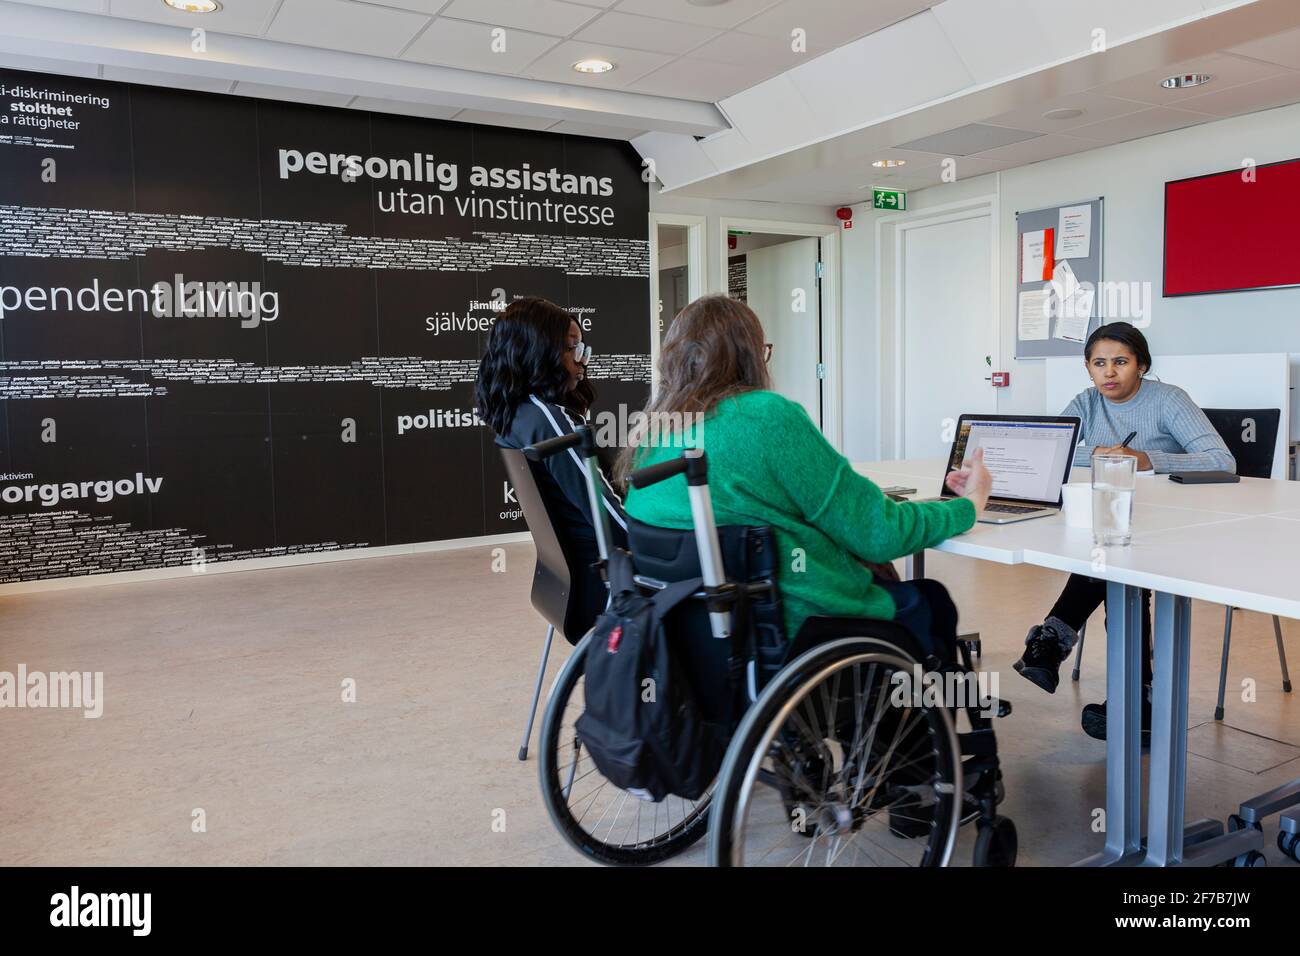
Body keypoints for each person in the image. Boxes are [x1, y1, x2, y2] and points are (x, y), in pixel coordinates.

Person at [619, 294, 991, 659]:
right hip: (791, 625)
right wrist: (968, 505)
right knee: (931, 601)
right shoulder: (766, 416)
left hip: (691, 630)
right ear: (751, 356)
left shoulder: (654, 433)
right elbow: (881, 534)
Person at [1013, 321, 1235, 740]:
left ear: (1141, 365)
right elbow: (1048, 447)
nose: (1109, 372)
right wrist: (1097, 452)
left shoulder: (1169, 400)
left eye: (1120, 362)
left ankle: (1052, 640)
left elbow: (1222, 461)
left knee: (1112, 560)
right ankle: (1136, 700)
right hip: (1111, 526)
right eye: (1099, 363)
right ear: (1088, 368)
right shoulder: (1086, 402)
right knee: (1110, 556)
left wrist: (1147, 460)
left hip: (1173, 527)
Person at [475, 297, 627, 642]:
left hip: (564, 585)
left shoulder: (517, 415)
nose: (581, 360)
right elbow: (608, 522)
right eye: (572, 348)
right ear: (538, 351)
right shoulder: (547, 421)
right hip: (603, 584)